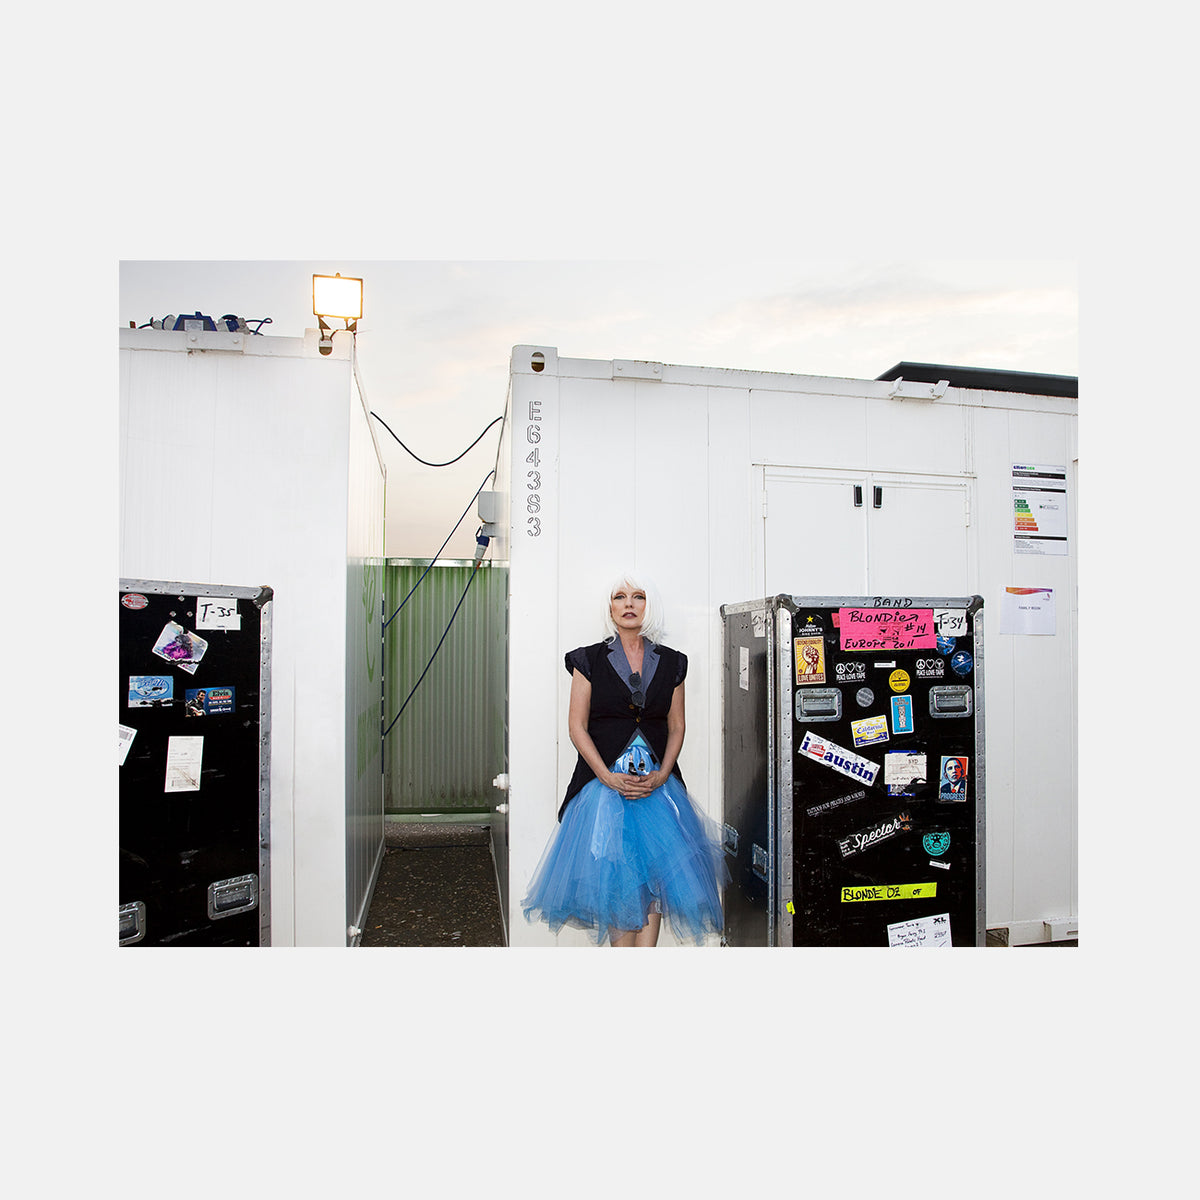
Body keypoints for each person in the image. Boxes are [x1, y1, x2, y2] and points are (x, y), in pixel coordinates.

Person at [522, 573, 729, 947]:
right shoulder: (587, 659)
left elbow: (677, 726)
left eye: (639, 597)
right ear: (610, 607)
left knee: (654, 881)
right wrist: (606, 777)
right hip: (602, 792)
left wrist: (663, 774)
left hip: (657, 791)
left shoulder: (674, 663)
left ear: (651, 607)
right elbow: (576, 727)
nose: (629, 604)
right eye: (620, 597)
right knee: (618, 880)